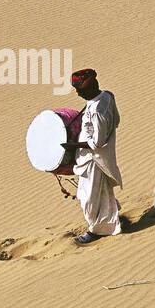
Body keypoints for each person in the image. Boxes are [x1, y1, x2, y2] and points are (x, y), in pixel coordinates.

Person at [61, 68, 123, 245]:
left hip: (94, 159)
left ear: (90, 87)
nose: (78, 93)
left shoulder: (96, 110)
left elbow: (96, 143)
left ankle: (97, 231)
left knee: (88, 198)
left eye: (80, 89)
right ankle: (110, 217)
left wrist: (72, 145)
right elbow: (116, 120)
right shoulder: (107, 96)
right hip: (96, 157)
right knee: (96, 192)